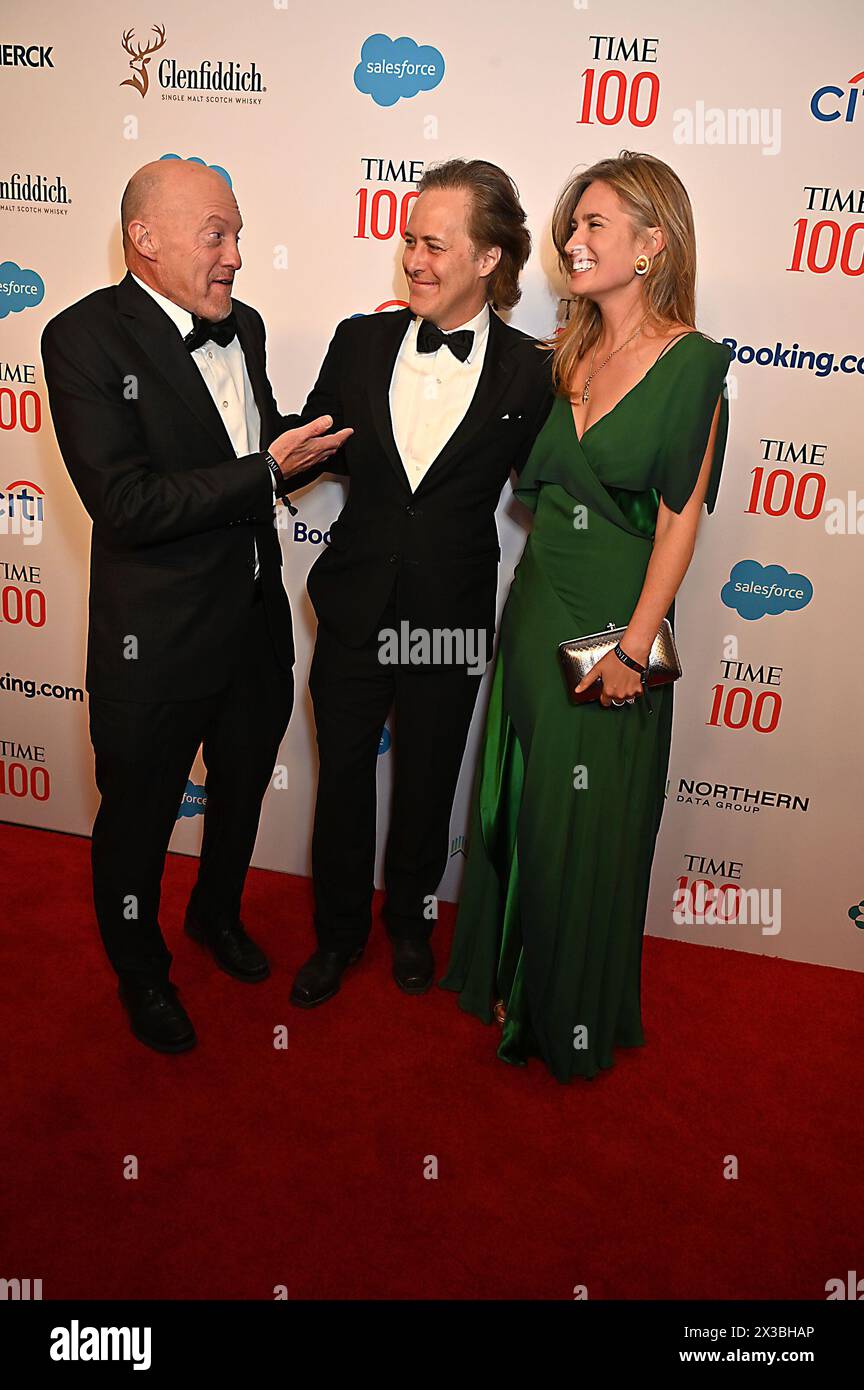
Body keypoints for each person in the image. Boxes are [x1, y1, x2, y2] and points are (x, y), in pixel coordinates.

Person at [41, 158, 350, 1054]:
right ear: (147, 239)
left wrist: (354, 428)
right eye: (217, 235)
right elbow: (128, 503)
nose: (237, 256)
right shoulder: (82, 339)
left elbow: (254, 442)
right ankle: (141, 974)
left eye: (238, 234)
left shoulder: (239, 326)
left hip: (254, 620)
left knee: (245, 783)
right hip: (156, 641)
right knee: (137, 815)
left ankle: (216, 914)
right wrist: (266, 472)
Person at [440, 151, 733, 1083]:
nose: (573, 239)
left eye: (594, 224)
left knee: (587, 821)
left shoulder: (693, 368)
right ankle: (508, 973)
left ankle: (561, 1007)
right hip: (535, 612)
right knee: (524, 803)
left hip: (616, 624)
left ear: (653, 244)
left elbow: (679, 524)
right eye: (572, 224)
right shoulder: (563, 351)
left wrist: (636, 649)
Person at [286, 159, 554, 1008]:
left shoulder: (530, 369)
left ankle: (410, 920)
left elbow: (550, 493)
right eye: (409, 240)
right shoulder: (358, 342)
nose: (413, 260)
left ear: (488, 259)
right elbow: (303, 447)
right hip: (357, 605)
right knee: (343, 781)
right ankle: (337, 935)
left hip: (450, 613)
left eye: (434, 244)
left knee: (430, 776)